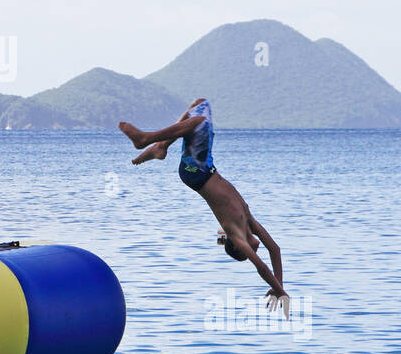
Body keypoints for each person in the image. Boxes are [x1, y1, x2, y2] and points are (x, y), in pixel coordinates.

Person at [120, 99, 289, 313]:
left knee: (200, 122)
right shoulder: (250, 223)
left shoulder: (235, 233)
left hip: (195, 174)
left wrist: (278, 290)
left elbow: (262, 267)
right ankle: (160, 147)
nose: (254, 251)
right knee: (201, 104)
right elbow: (274, 250)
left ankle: (148, 140)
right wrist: (280, 286)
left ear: (238, 247)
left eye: (246, 253)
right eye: (250, 252)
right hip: (206, 166)